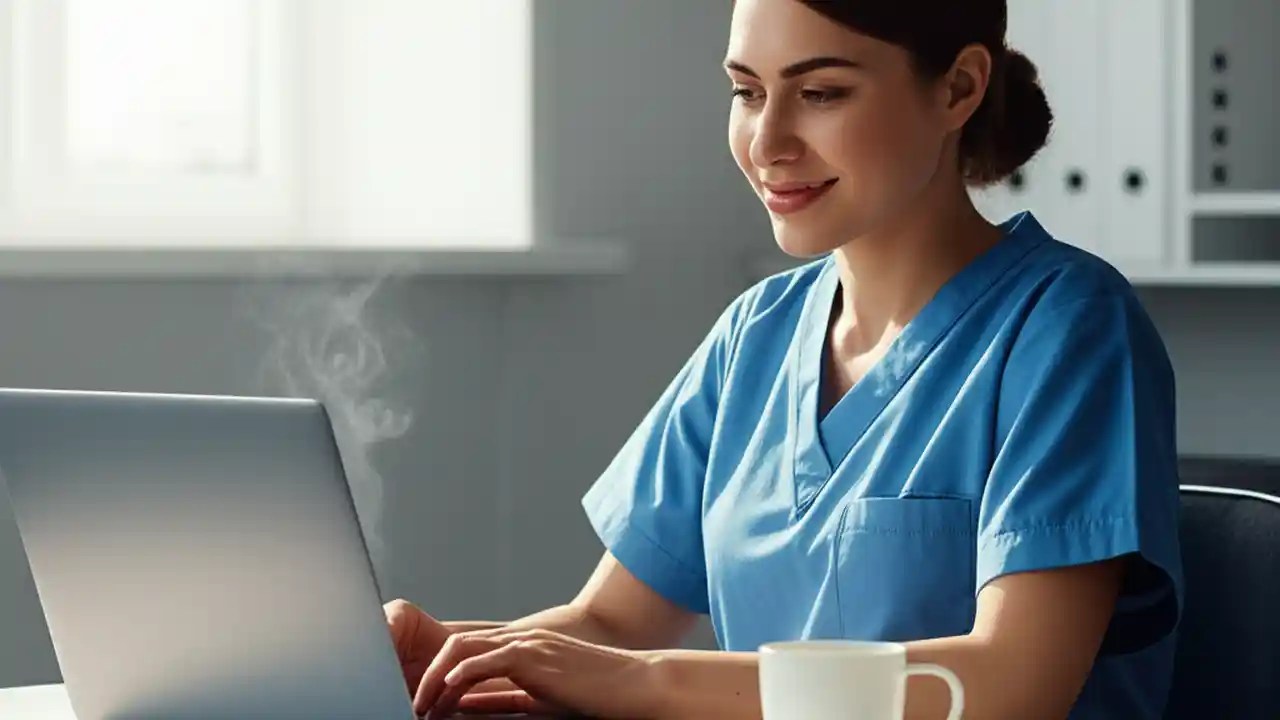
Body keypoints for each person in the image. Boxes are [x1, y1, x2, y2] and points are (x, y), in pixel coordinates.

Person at [385, 1, 1183, 717]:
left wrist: (642, 683)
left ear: (958, 89)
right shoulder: (755, 337)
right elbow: (610, 624)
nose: (767, 142)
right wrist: (446, 659)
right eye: (747, 91)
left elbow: (1013, 683)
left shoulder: (1067, 328)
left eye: (821, 93)